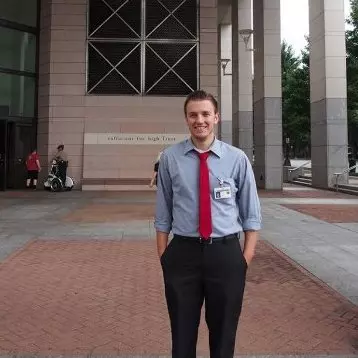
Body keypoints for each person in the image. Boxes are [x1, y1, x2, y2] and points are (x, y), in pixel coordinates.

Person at [155, 90, 262, 358]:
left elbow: (251, 213)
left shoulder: (237, 159)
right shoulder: (170, 158)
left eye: (205, 114)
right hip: (183, 253)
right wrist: (164, 256)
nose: (199, 120)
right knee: (181, 333)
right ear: (186, 119)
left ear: (216, 117)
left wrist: (244, 258)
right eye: (193, 115)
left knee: (224, 334)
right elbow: (163, 212)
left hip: (225, 254)